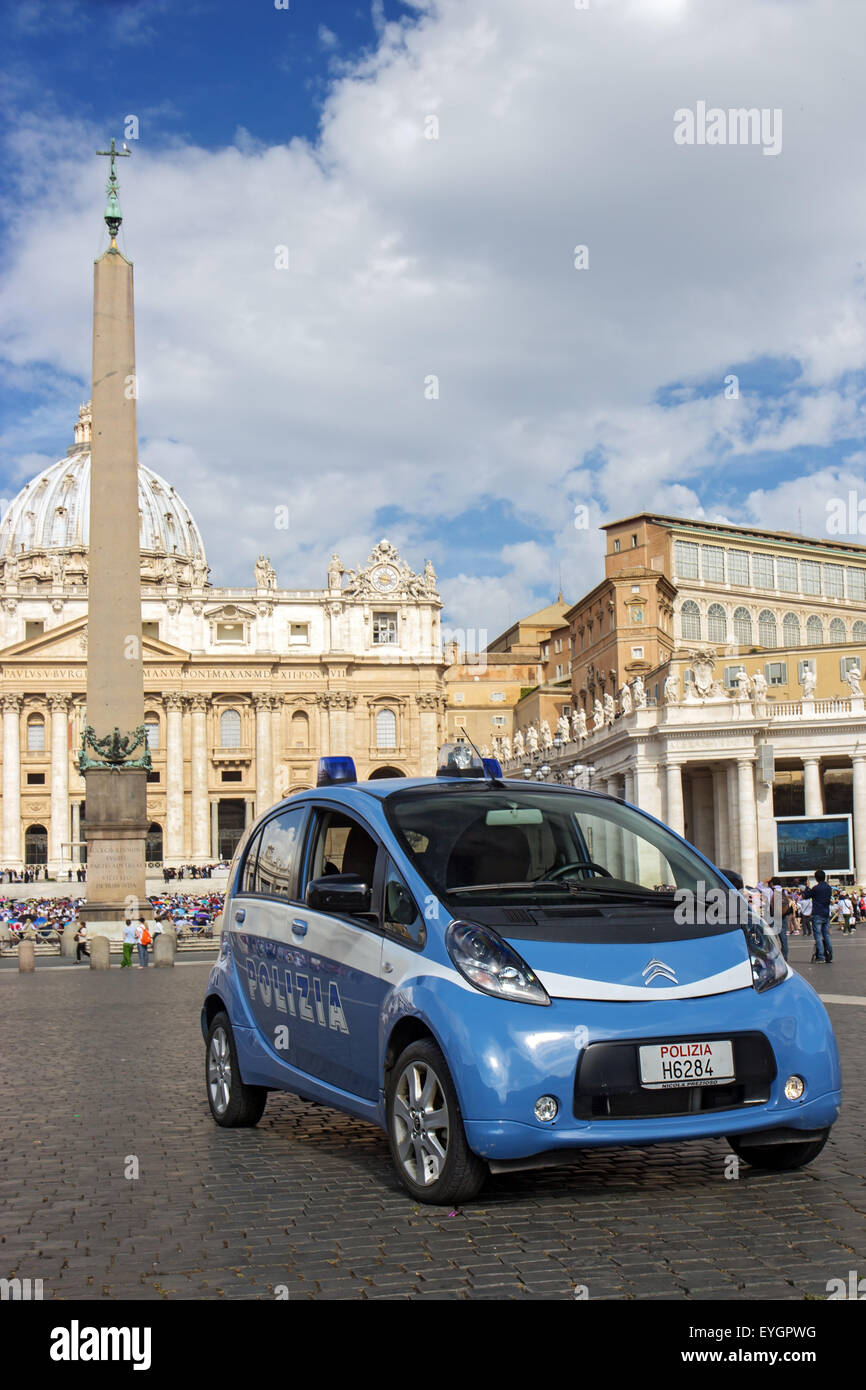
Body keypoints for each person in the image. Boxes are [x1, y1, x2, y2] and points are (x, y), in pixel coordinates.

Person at [804, 869, 833, 963]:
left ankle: (821, 956)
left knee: (818, 935)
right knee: (827, 935)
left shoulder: (816, 888)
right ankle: (830, 955)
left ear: (816, 878)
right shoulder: (829, 888)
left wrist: (807, 888)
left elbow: (806, 896)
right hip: (826, 913)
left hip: (817, 913)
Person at [768, 877, 793, 960]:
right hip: (783, 915)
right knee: (783, 938)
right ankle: (785, 957)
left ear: (772, 883)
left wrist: (765, 881)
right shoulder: (783, 891)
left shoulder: (770, 891)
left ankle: (775, 957)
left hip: (774, 917)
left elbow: (758, 887)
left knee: (773, 939)